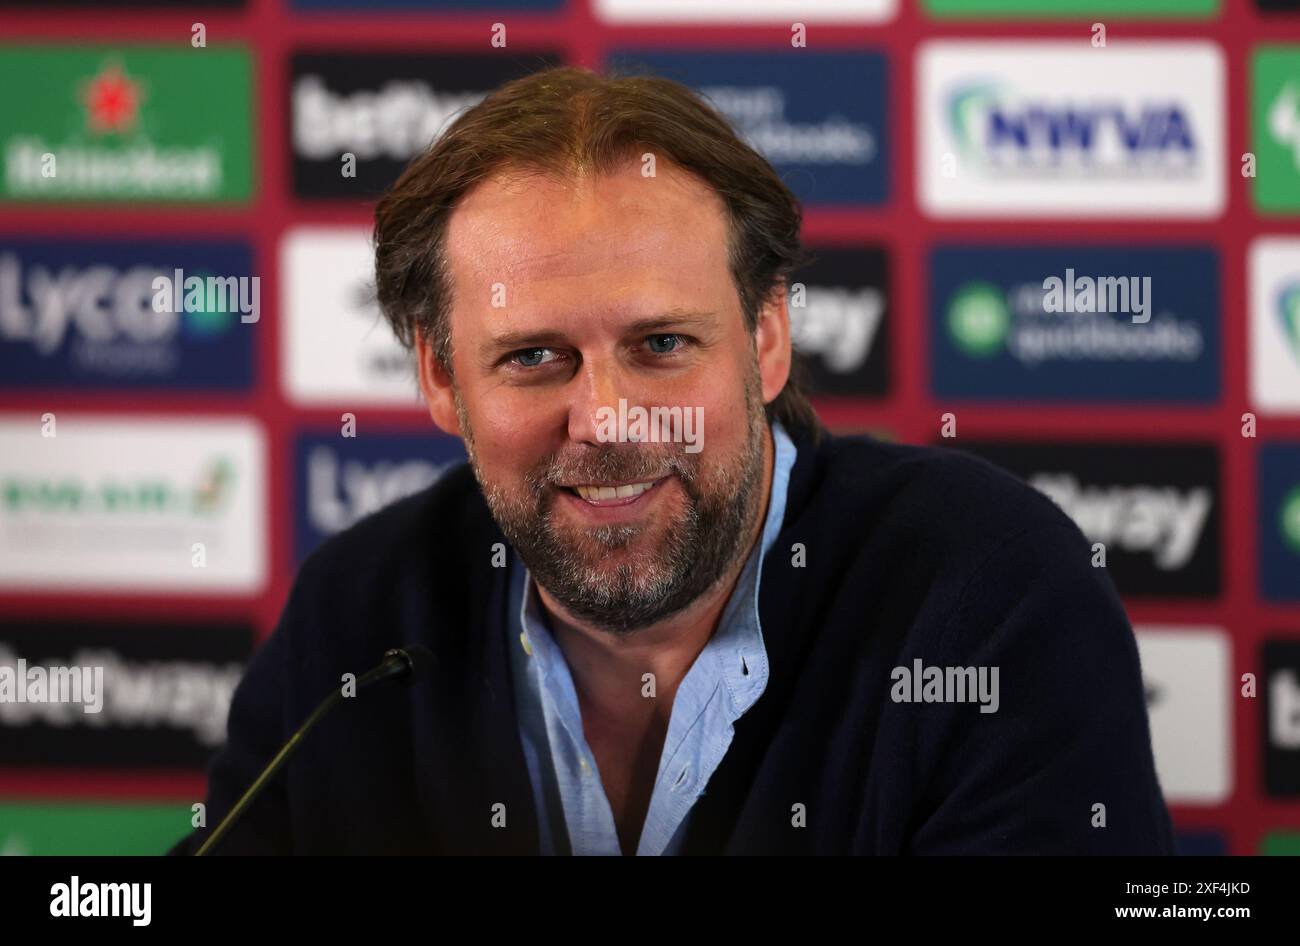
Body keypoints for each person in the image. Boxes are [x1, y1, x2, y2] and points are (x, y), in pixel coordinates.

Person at [170, 65, 1173, 855]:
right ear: (441, 379)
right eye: (533, 357)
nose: (606, 421)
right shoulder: (359, 618)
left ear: (767, 338)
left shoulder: (991, 602)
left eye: (660, 346)